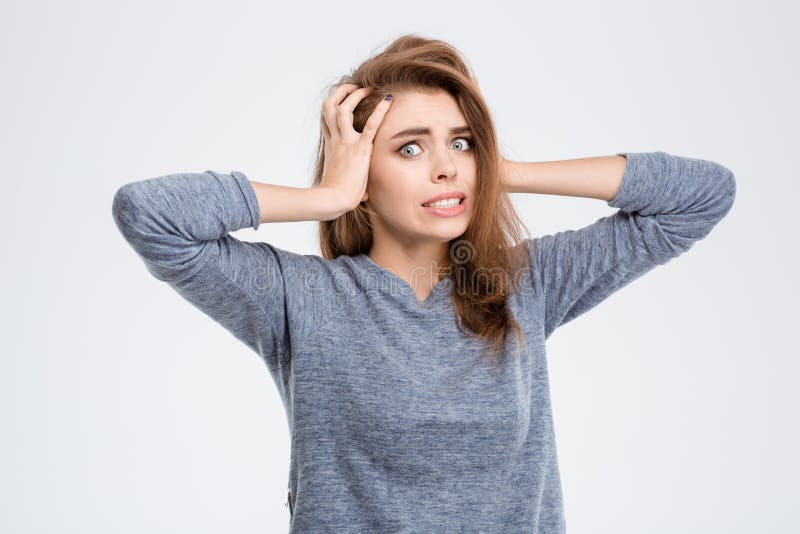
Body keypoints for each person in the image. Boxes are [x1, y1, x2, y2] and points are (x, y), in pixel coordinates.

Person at [111, 34, 736, 533]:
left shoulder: (525, 283)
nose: (445, 168)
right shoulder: (296, 297)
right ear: (362, 171)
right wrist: (326, 196)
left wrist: (501, 169)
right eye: (410, 149)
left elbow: (702, 196)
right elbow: (150, 215)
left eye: (461, 143)